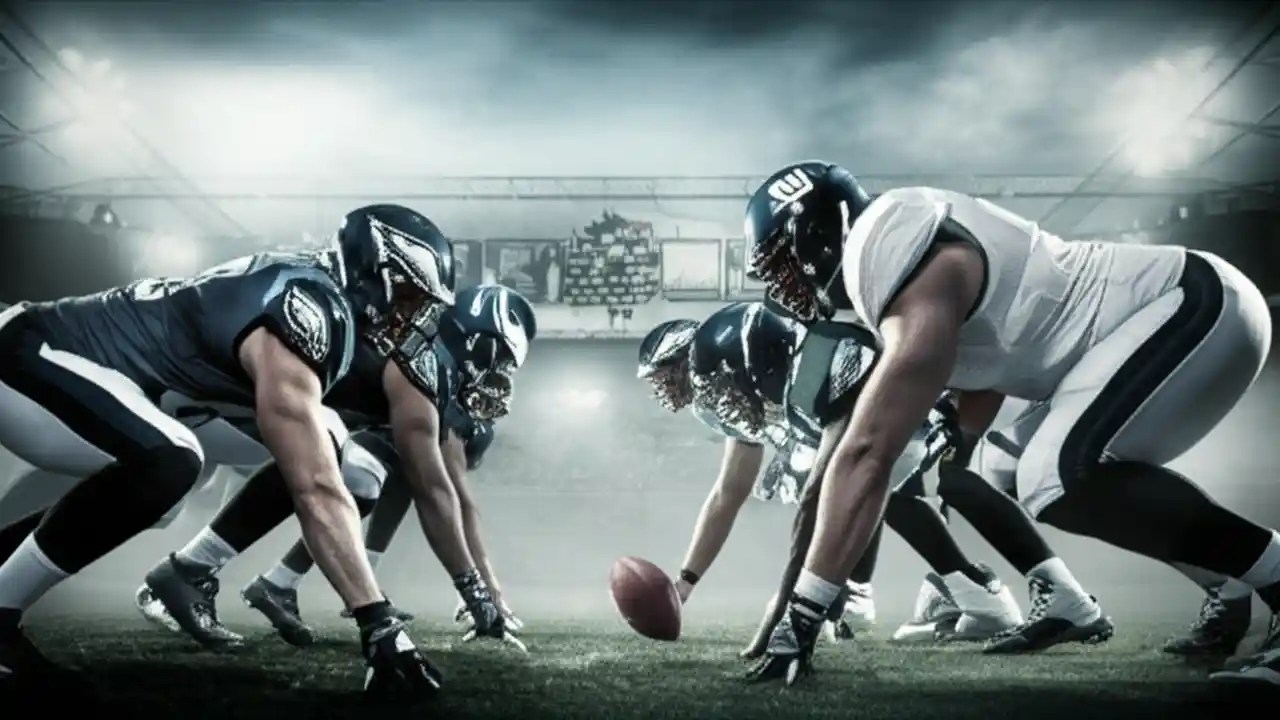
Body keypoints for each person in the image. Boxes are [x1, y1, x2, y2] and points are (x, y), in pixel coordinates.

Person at [742, 161, 1278, 688]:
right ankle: (1226, 588)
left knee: (1056, 475)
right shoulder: (906, 239)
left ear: (817, 233)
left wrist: (803, 613)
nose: (781, 287)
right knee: (1002, 467)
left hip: (1191, 306)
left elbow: (864, 455)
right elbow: (996, 345)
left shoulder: (884, 255)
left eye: (781, 263)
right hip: (1155, 327)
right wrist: (955, 431)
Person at [0, 204, 454, 703]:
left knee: (327, 451)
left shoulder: (316, 301)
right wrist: (378, 623)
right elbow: (315, 489)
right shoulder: (306, 308)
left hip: (141, 387)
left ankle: (186, 570)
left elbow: (322, 467)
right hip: (34, 352)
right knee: (171, 460)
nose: (411, 318)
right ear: (373, 271)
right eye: (408, 297)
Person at [133, 285, 532, 653]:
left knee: (352, 471)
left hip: (239, 392)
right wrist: (479, 592)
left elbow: (432, 489)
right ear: (463, 335)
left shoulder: (430, 364)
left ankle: (231, 576)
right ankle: (194, 572)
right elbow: (439, 492)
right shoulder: (424, 364)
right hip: (209, 386)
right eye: (487, 357)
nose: (491, 375)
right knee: (328, 452)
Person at [638, 304, 1030, 651]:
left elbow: (831, 407)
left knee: (866, 478)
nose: (661, 387)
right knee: (850, 479)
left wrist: (793, 598)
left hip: (880, 388)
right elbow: (728, 493)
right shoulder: (721, 399)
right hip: (846, 415)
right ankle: (868, 590)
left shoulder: (765, 359)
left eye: (663, 373)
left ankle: (972, 588)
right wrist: (686, 582)